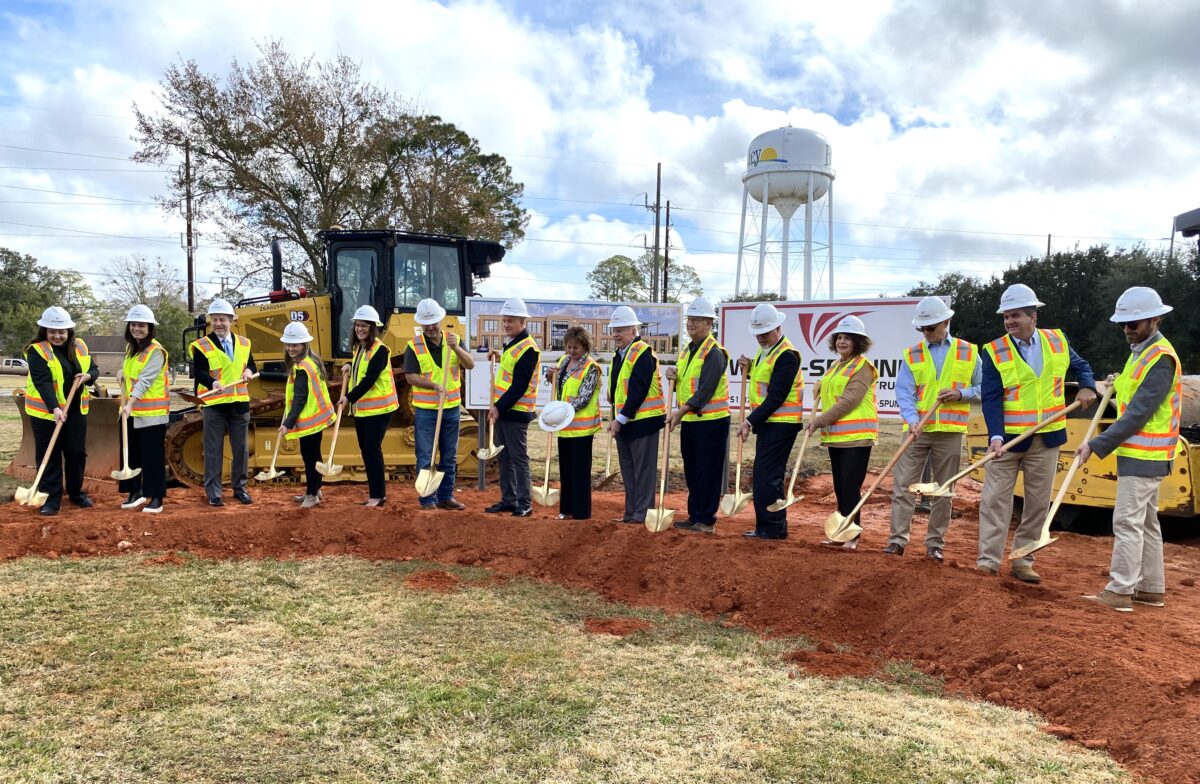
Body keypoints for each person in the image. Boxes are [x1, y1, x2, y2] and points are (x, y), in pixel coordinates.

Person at [978, 283, 1097, 582]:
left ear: (1033, 316)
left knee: (1037, 504)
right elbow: (990, 397)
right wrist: (994, 436)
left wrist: (1086, 385)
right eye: (1006, 317)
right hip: (1006, 441)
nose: (1009, 322)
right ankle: (988, 561)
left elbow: (1081, 366)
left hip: (1048, 438)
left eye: (1015, 315)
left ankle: (1023, 560)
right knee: (995, 501)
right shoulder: (994, 350)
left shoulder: (1057, 340)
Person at [1078, 287, 1179, 612]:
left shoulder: (1160, 358)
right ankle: (1150, 589)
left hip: (1145, 454)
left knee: (1126, 522)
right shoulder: (1141, 351)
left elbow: (1139, 413)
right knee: (1146, 522)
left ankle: (1120, 591)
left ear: (1156, 319)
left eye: (1134, 323)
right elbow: (1129, 387)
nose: (1127, 329)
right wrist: (1113, 382)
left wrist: (1096, 444)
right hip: (1143, 455)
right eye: (1124, 323)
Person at [885, 297, 981, 561]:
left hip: (950, 431)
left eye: (930, 327)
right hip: (917, 429)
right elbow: (904, 391)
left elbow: (985, 388)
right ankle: (897, 541)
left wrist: (962, 393)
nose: (926, 332)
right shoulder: (913, 354)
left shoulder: (968, 351)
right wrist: (911, 418)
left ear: (946, 322)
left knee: (943, 489)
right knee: (903, 486)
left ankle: (935, 544)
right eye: (922, 328)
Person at [808, 315, 877, 549]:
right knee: (840, 487)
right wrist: (820, 386)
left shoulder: (863, 367)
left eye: (848, 338)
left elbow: (849, 400)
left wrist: (818, 421)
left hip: (857, 438)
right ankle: (841, 532)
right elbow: (831, 392)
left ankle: (851, 537)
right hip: (837, 438)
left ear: (858, 342)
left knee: (849, 486)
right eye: (839, 337)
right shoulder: (837, 365)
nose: (842, 341)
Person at [23, 306, 99, 516]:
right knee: (49, 455)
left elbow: (94, 368)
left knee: (76, 452)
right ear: (44, 331)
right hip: (45, 412)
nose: (57, 336)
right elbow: (43, 382)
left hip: (75, 410)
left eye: (62, 331)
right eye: (52, 331)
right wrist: (54, 408)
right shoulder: (37, 351)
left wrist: (88, 377)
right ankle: (50, 498)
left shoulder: (80, 346)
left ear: (69, 331)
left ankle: (76, 493)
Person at [737, 303, 803, 539]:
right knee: (767, 474)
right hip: (770, 423)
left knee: (766, 475)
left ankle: (770, 527)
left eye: (765, 333)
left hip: (782, 422)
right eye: (758, 334)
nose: (761, 338)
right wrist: (750, 368)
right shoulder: (767, 352)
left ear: (778, 327)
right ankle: (773, 526)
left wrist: (749, 421)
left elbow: (776, 396)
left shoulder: (787, 355)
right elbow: (764, 382)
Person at [404, 298, 475, 510]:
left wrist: (457, 349)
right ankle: (427, 499)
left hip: (451, 409)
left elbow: (470, 364)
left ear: (440, 320)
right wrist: (433, 385)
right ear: (421, 324)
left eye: (434, 322)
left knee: (449, 456)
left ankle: (445, 496)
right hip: (426, 411)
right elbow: (410, 377)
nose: (431, 327)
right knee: (425, 457)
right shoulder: (413, 346)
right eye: (427, 323)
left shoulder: (455, 340)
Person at [668, 297, 729, 534]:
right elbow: (688, 384)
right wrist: (675, 374)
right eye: (689, 320)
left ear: (708, 323)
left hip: (711, 422)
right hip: (693, 421)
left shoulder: (714, 352)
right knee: (692, 470)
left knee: (708, 471)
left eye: (696, 320)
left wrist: (680, 412)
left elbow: (705, 390)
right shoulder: (689, 351)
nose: (690, 324)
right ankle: (695, 516)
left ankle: (705, 519)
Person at [189, 298, 257, 507]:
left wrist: (248, 371)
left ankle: (240, 488)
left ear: (231, 320)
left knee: (241, 450)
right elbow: (199, 372)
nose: (218, 323)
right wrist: (213, 382)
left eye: (223, 319)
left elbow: (252, 366)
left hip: (239, 404)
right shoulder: (201, 345)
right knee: (213, 450)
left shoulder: (244, 343)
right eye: (215, 319)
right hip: (214, 404)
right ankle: (214, 493)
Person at [608, 305, 667, 525]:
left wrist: (620, 418)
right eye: (615, 329)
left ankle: (642, 513)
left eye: (621, 329)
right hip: (626, 421)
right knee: (629, 470)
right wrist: (616, 416)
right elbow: (620, 389)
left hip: (644, 421)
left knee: (643, 472)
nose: (616, 334)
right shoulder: (619, 355)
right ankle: (631, 512)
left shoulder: (642, 352)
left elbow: (639, 389)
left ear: (634, 330)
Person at [339, 305, 398, 508]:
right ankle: (375, 493)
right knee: (366, 450)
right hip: (364, 410)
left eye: (364, 326)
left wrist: (348, 397)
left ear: (373, 327)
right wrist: (349, 363)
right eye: (357, 325)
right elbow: (359, 369)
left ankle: (378, 495)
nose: (360, 329)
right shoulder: (360, 348)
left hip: (380, 410)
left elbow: (369, 379)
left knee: (372, 450)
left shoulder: (381, 350)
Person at [486, 298, 540, 517]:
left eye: (511, 321)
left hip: (517, 411)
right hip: (506, 410)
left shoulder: (528, 348)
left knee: (518, 457)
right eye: (505, 321)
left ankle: (524, 501)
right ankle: (508, 499)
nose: (506, 324)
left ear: (523, 322)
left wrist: (498, 407)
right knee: (504, 456)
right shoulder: (512, 345)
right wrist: (498, 356)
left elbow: (519, 385)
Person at [118, 304, 170, 514]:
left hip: (151, 414)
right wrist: (121, 372)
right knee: (130, 455)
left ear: (150, 327)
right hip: (131, 412)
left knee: (152, 457)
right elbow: (132, 375)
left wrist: (130, 403)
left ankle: (156, 497)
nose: (136, 328)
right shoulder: (132, 348)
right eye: (133, 324)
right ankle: (135, 491)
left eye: (141, 325)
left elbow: (145, 381)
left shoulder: (156, 352)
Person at [277, 323, 336, 508]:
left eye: (295, 345)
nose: (291, 348)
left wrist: (287, 423)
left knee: (310, 458)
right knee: (314, 456)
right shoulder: (311, 362)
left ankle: (311, 494)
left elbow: (300, 399)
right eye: (288, 345)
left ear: (304, 345)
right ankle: (315, 490)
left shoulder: (302, 368)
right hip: (316, 417)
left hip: (310, 419)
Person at [548, 326, 601, 520]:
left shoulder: (591, 368)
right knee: (566, 471)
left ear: (585, 347)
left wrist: (562, 411)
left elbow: (584, 397)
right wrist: (551, 375)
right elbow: (558, 385)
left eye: (576, 348)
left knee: (580, 472)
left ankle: (581, 512)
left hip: (582, 428)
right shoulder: (563, 361)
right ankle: (566, 509)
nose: (572, 351)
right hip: (564, 428)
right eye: (569, 347)